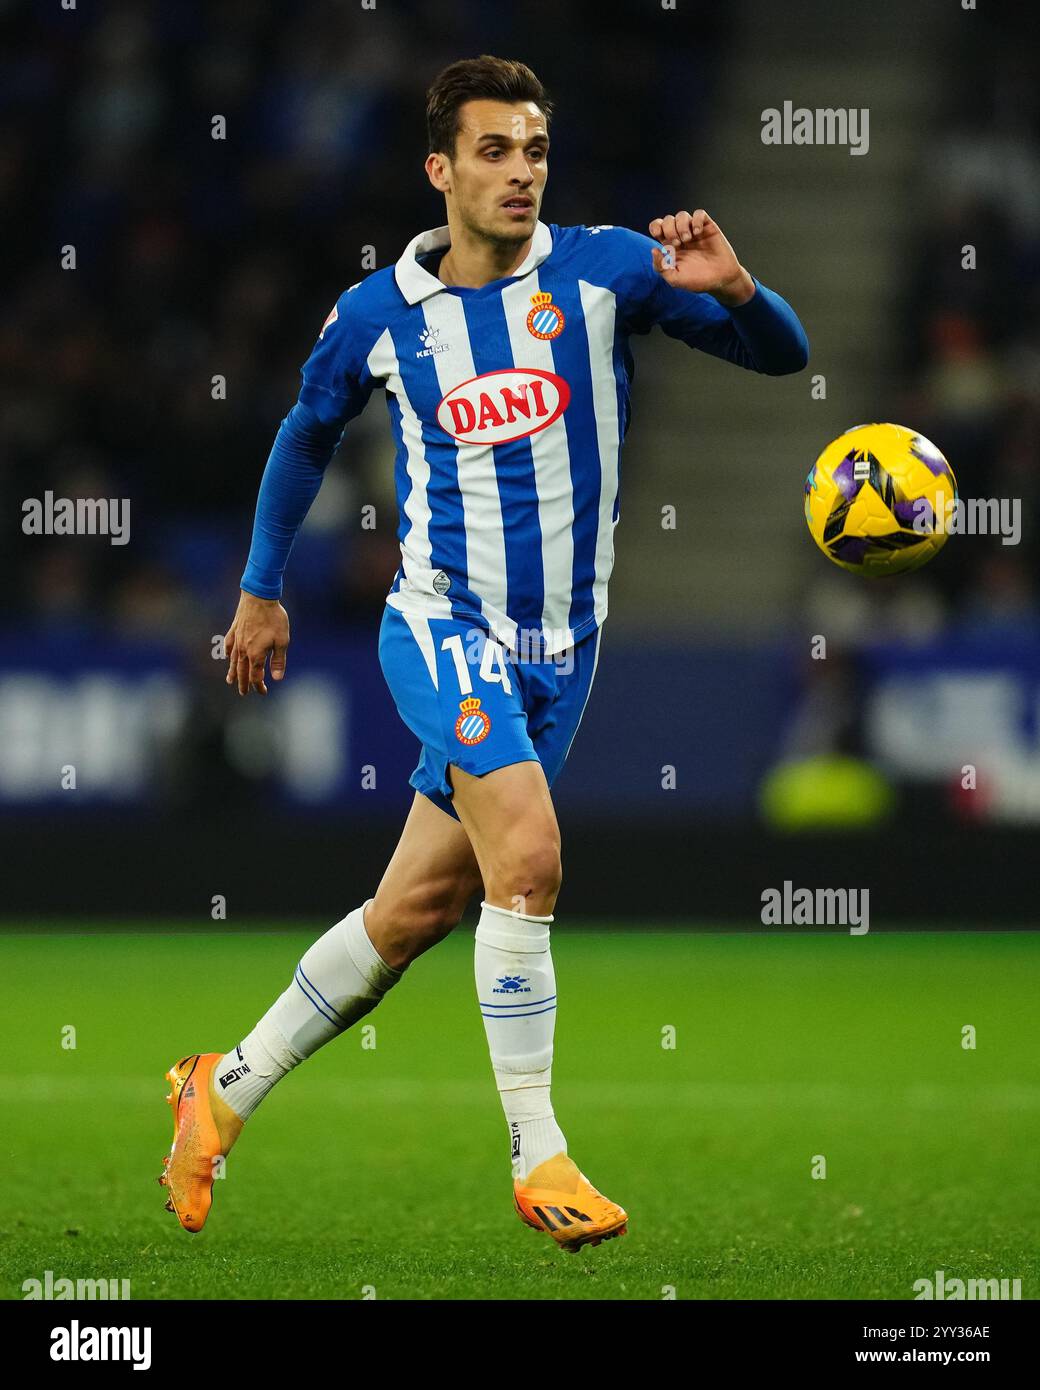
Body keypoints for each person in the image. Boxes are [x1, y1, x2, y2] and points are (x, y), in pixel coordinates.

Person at [160, 54, 808, 1253]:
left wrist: (740, 287)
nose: (520, 173)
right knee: (530, 855)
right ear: (440, 169)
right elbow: (305, 433)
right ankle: (537, 1150)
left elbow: (783, 356)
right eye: (495, 152)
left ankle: (223, 1086)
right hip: (441, 622)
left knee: (413, 910)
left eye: (536, 151)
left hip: (565, 647)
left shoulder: (609, 268)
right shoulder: (378, 316)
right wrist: (259, 587)